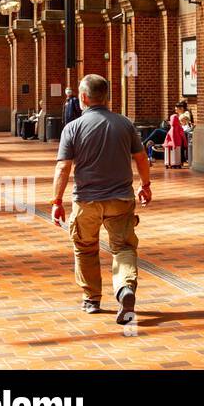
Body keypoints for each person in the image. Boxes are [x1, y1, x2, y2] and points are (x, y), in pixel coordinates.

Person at [50, 74, 151, 324]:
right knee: (124, 248)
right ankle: (125, 288)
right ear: (106, 97)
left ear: (83, 98)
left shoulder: (72, 128)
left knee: (84, 248)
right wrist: (145, 185)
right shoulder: (125, 124)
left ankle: (92, 298)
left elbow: (63, 167)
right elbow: (141, 158)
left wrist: (56, 202)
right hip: (121, 199)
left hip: (86, 201)